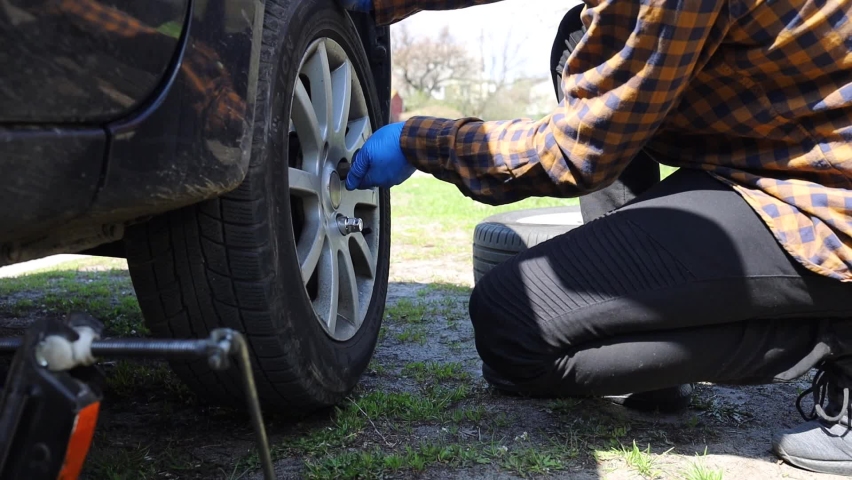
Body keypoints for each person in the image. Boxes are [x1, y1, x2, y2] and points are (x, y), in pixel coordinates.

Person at [340, 0, 852, 475]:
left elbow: (577, 151)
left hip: (824, 202)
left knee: (514, 327)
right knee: (577, 39)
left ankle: (836, 333)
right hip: (774, 156)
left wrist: (421, 143)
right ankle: (664, 353)